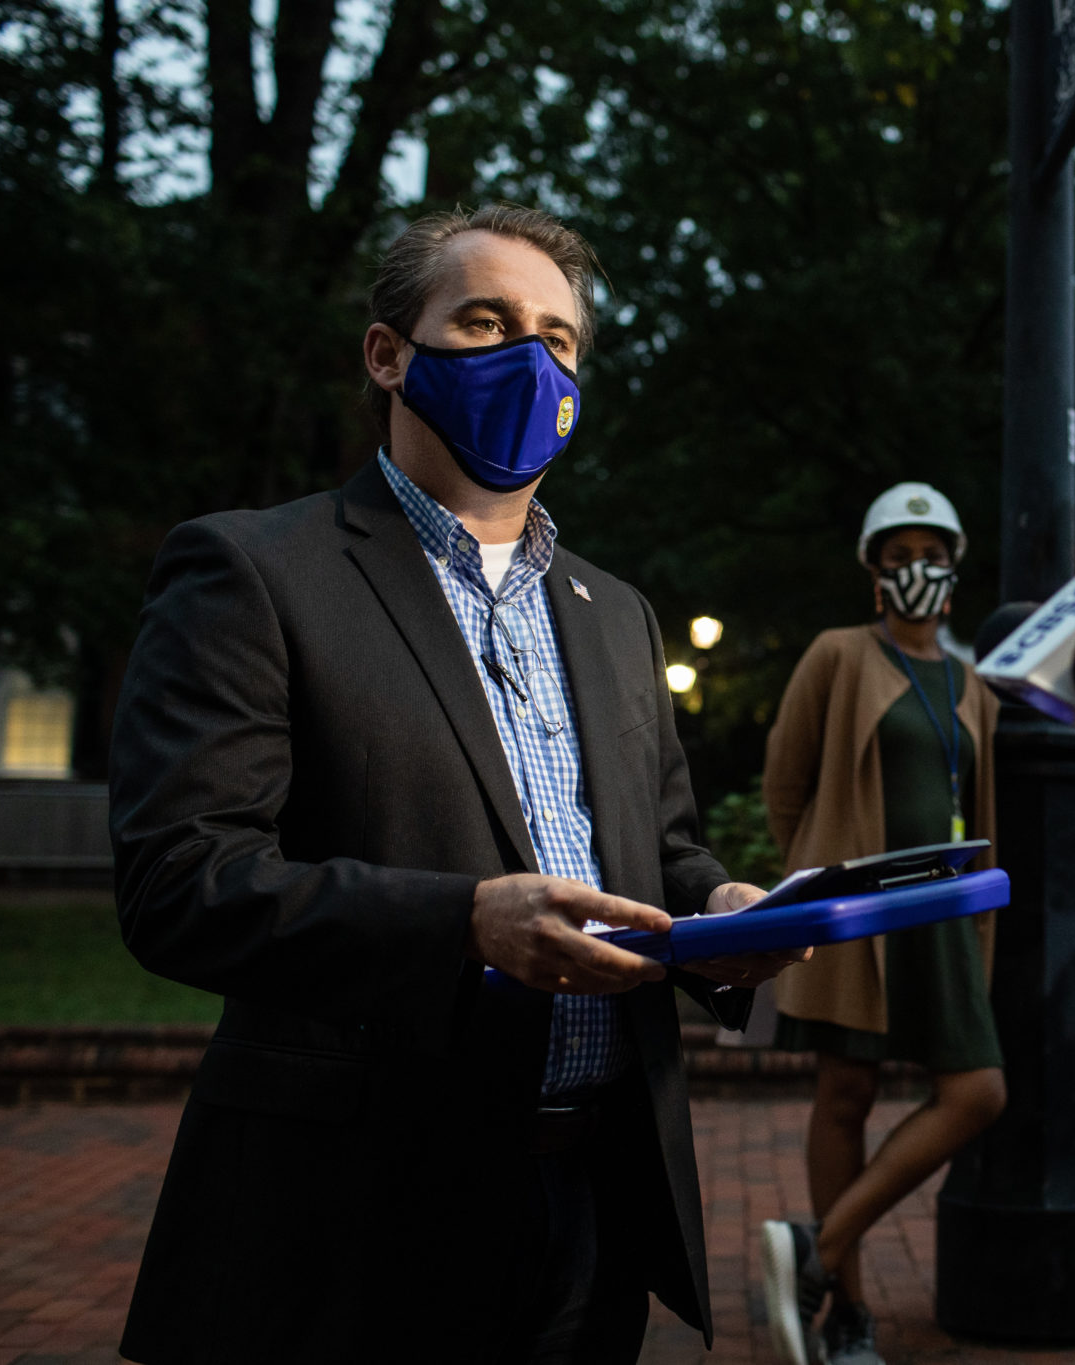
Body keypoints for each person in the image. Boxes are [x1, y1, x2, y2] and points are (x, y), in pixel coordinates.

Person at [109, 203, 806, 1365]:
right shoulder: (251, 570)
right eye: (486, 323)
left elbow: (660, 848)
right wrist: (463, 924)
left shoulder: (615, 612)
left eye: (558, 338)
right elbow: (182, 883)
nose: (531, 361)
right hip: (356, 1213)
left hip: (595, 1200)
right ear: (389, 354)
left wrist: (721, 913)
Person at [757, 483, 1006, 1365]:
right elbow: (785, 784)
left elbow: (981, 806)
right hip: (858, 911)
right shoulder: (838, 652)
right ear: (874, 574)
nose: (915, 570)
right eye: (897, 557)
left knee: (977, 1091)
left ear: (954, 571)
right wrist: (824, 871)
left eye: (930, 556)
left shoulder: (973, 683)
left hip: (941, 913)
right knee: (846, 1095)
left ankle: (816, 1245)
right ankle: (848, 1315)